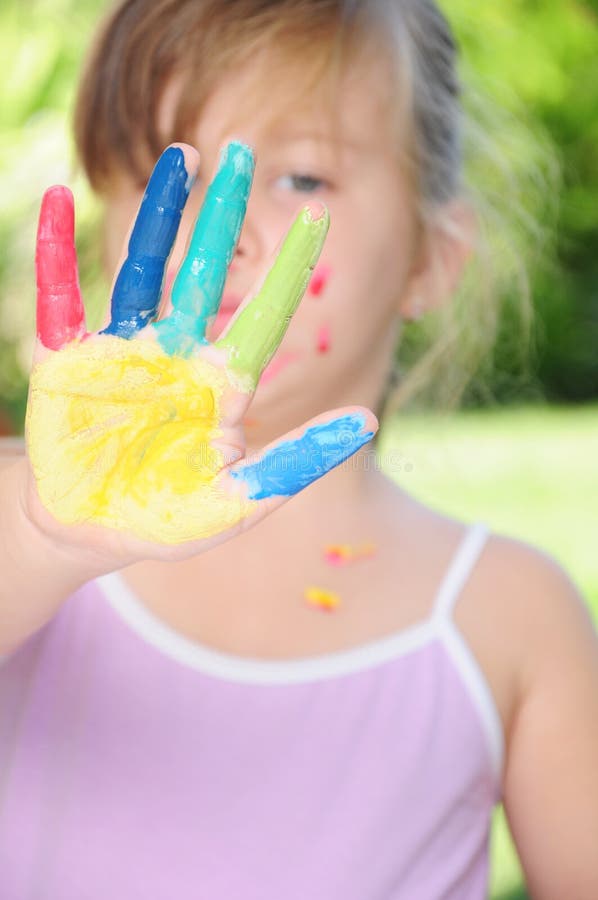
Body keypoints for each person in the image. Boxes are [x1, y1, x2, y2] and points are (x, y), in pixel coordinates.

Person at [1, 0, 597, 897]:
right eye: (172, 170)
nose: (223, 232)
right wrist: (42, 541)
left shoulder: (511, 616)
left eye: (302, 180)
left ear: (431, 259)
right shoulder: (27, 531)